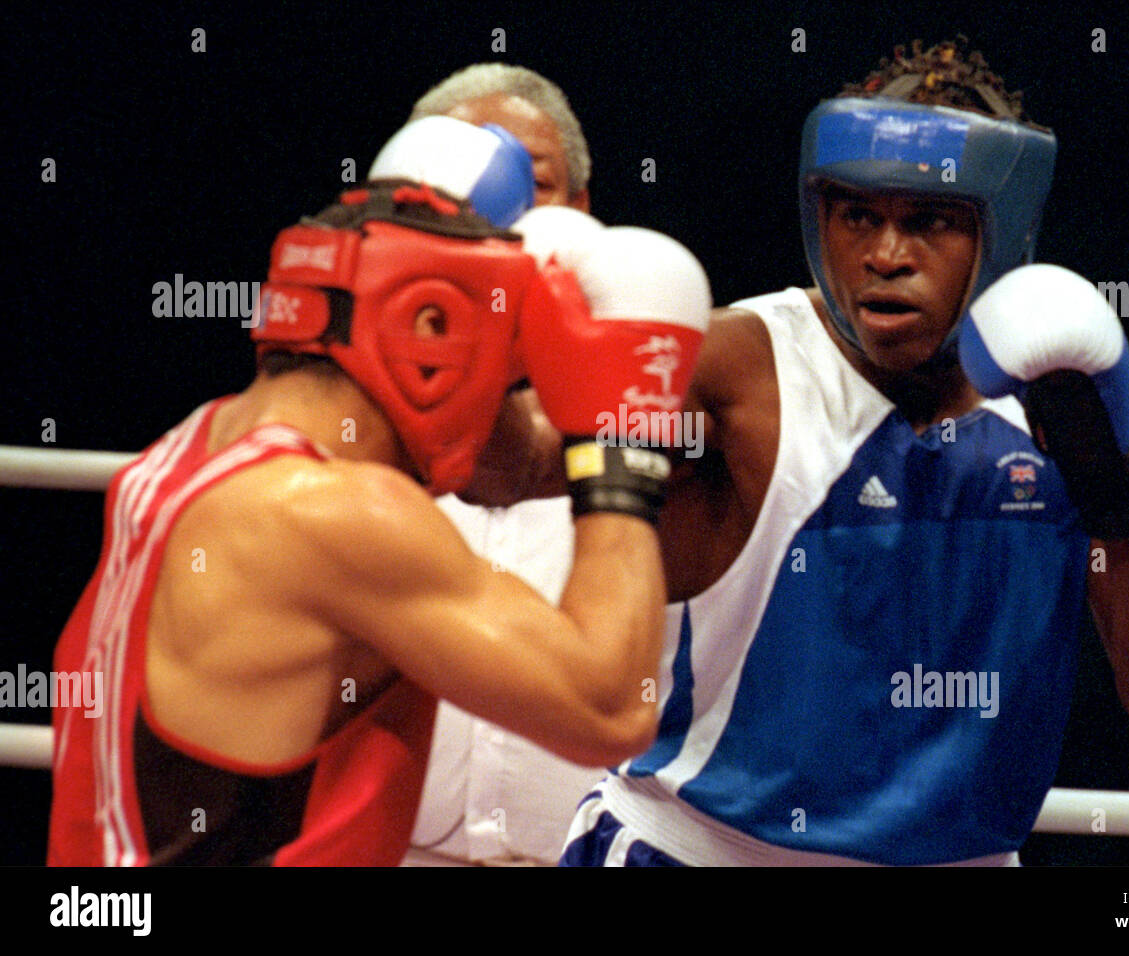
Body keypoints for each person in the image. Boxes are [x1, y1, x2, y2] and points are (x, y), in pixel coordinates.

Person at [549, 39, 1129, 866]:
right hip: (697, 849)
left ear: (1005, 227)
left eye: (930, 221)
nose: (885, 254)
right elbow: (506, 467)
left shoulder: (1085, 403)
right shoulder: (738, 372)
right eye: (858, 217)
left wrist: (1117, 494)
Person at [45, 115, 712, 866]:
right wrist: (618, 442)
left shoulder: (195, 446)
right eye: (507, 358)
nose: (509, 394)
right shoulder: (337, 513)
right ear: (430, 324)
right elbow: (610, 708)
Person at [397, 64, 611, 867]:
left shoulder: (665, 395)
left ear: (580, 211)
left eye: (533, 181)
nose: (501, 207)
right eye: (459, 178)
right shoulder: (350, 404)